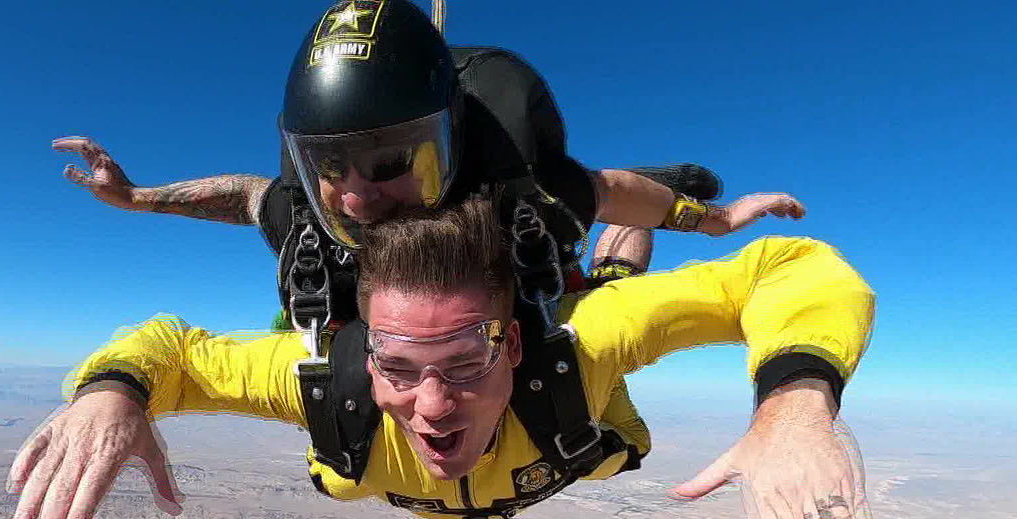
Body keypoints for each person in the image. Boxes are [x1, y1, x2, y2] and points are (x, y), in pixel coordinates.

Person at [7, 195, 877, 519]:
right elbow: (174, 349)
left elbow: (789, 268)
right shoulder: (325, 380)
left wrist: (796, 405)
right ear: (367, 352)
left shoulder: (578, 350)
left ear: (511, 347)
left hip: (584, 404)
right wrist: (113, 392)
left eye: (464, 359)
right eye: (398, 364)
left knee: (614, 299)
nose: (429, 405)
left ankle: (613, 256)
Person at [52, 0, 805, 330]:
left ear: (445, 148)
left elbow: (607, 192)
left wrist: (710, 222)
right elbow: (252, 196)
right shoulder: (313, 217)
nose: (356, 197)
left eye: (387, 162)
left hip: (549, 257)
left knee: (606, 275)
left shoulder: (517, 197)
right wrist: (141, 198)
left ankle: (634, 246)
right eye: (331, 168)